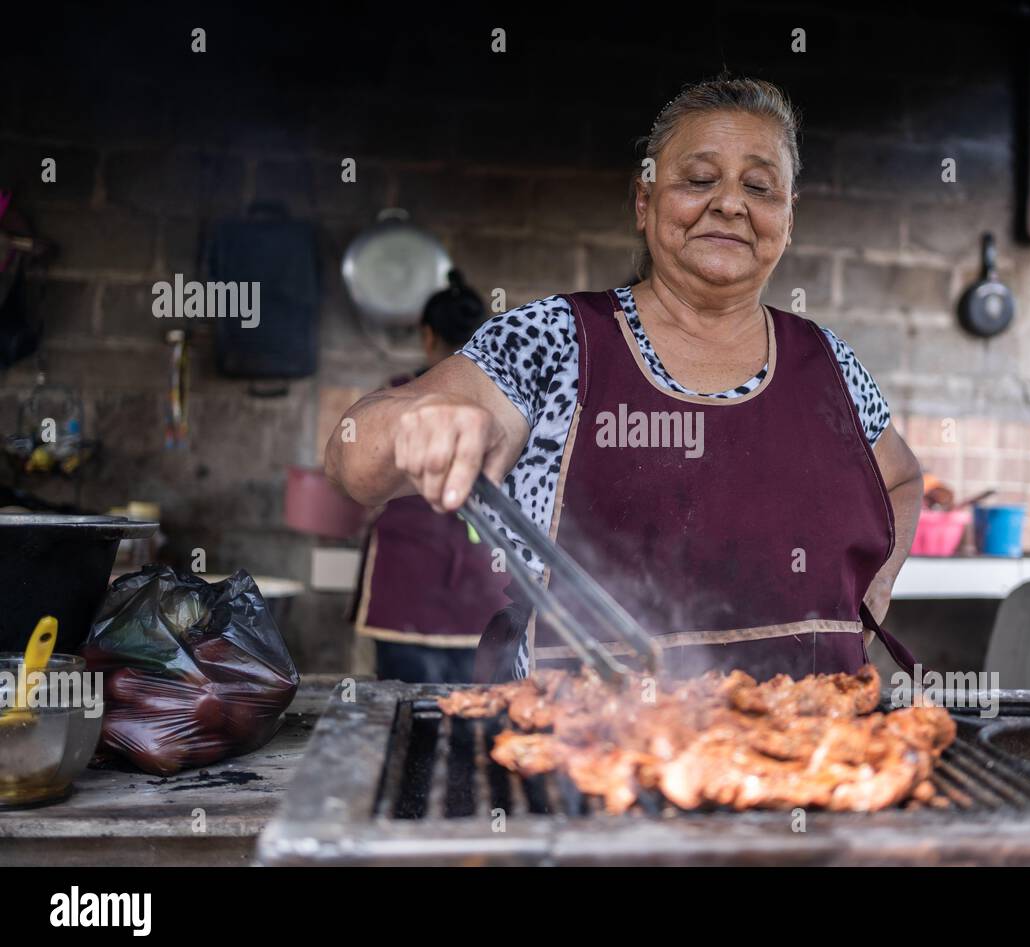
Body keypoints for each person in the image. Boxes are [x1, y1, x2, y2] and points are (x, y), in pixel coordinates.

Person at [327, 76, 924, 683]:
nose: (729, 203)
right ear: (645, 202)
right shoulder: (554, 341)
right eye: (698, 179)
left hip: (814, 753)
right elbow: (355, 460)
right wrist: (416, 424)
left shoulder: (831, 364)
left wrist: (874, 591)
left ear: (787, 220)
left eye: (760, 186)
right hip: (592, 754)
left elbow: (900, 477)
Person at [349, 271, 509, 682]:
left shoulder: (399, 396)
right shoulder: (512, 402)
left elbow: (361, 482)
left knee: (402, 707)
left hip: (406, 586)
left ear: (427, 335)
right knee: (486, 712)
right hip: (487, 589)